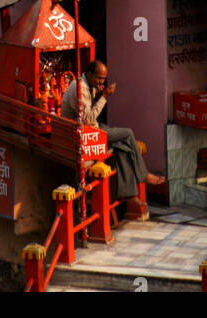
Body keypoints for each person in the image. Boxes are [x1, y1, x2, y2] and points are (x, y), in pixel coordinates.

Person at [61, 59, 165, 217]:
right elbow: (88, 118)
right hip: (85, 134)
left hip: (92, 129)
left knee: (121, 148)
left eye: (103, 79)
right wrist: (104, 96)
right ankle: (143, 175)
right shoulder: (80, 88)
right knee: (128, 133)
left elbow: (90, 112)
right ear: (89, 74)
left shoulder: (89, 85)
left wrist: (99, 93)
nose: (101, 82)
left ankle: (130, 195)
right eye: (99, 78)